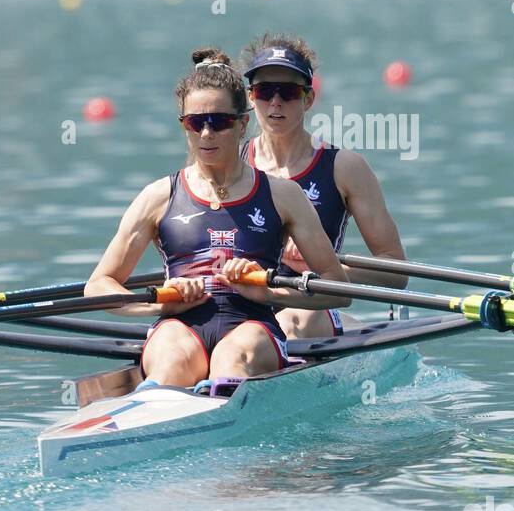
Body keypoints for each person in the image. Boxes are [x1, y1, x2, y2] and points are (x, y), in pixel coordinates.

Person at [85, 48, 352, 387]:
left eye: (219, 122)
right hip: (177, 326)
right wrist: (160, 303)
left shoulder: (283, 195)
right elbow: (98, 286)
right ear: (185, 127)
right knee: (170, 362)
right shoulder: (157, 196)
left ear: (242, 124)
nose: (207, 134)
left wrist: (267, 293)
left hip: (253, 326)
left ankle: (217, 401)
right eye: (195, 123)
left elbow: (338, 289)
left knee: (232, 360)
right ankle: (161, 408)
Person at [242, 33, 408, 340]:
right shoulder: (230, 164)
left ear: (308, 99)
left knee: (292, 323)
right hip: (243, 302)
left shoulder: (346, 168)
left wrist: (324, 266)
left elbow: (397, 272)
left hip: (310, 305)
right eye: (265, 90)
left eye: (288, 91)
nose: (275, 101)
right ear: (251, 97)